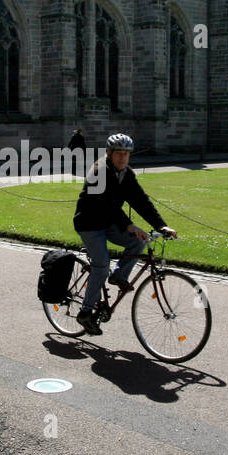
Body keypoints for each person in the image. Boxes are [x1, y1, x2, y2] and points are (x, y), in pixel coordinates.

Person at [72, 132, 177, 335]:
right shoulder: (98, 171)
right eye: (119, 153)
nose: (123, 158)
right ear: (109, 154)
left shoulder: (126, 174)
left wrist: (161, 226)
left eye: (127, 154)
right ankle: (85, 312)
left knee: (139, 241)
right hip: (90, 223)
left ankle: (119, 275)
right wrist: (129, 225)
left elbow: (141, 201)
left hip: (109, 221)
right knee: (101, 266)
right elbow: (105, 204)